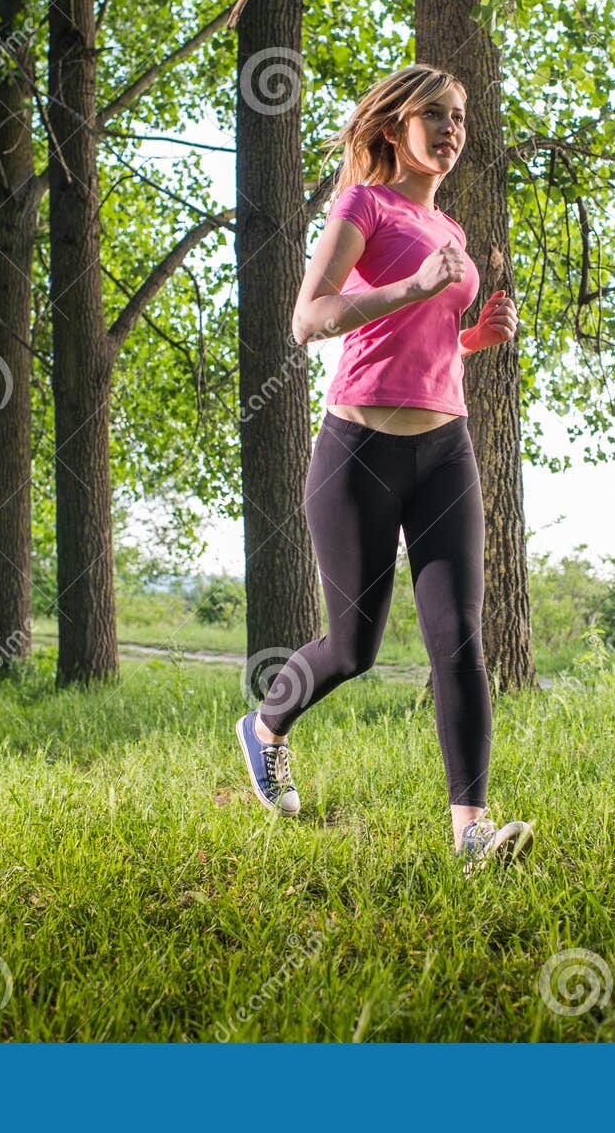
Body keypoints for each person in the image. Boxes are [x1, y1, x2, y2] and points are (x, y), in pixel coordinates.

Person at [234, 63, 533, 873]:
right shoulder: (362, 205)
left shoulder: (452, 229)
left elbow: (425, 345)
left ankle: (471, 831)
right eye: (435, 114)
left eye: (460, 115)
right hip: (359, 450)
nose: (451, 128)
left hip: (445, 450)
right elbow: (308, 319)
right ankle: (265, 727)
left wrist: (475, 338)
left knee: (458, 638)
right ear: (396, 125)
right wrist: (412, 284)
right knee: (353, 645)